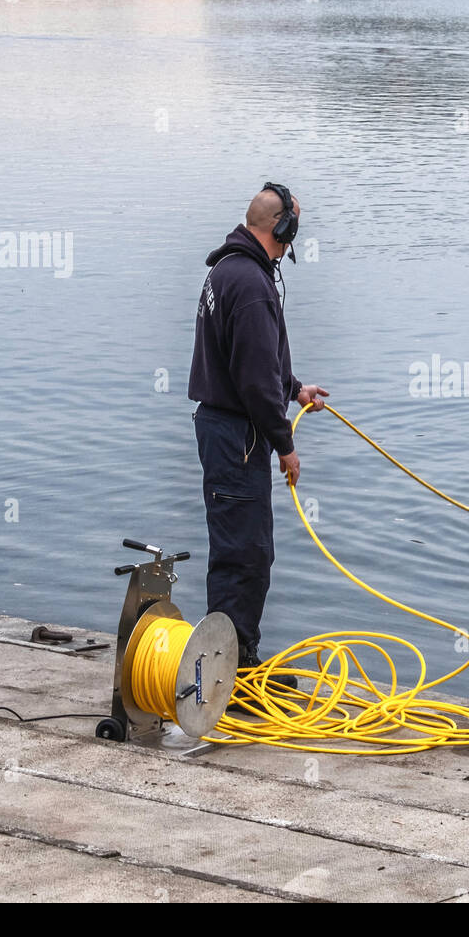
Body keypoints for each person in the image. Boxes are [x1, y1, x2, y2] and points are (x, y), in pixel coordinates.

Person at [188, 182, 329, 672]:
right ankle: (233, 674)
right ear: (282, 228)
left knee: (244, 551)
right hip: (237, 438)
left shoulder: (230, 269)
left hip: (226, 432)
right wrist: (284, 443)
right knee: (243, 558)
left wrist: (295, 389)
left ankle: (235, 664)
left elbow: (255, 362)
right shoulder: (250, 284)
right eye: (294, 228)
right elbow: (251, 379)